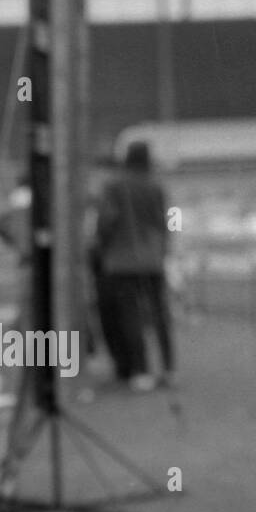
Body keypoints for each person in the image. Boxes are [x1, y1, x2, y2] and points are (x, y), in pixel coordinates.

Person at [94, 141, 175, 390]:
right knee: (160, 314)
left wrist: (102, 244)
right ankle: (169, 368)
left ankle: (140, 371)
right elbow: (167, 221)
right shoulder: (156, 186)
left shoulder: (115, 186)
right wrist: (165, 247)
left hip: (122, 260)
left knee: (131, 316)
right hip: (152, 257)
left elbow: (107, 220)